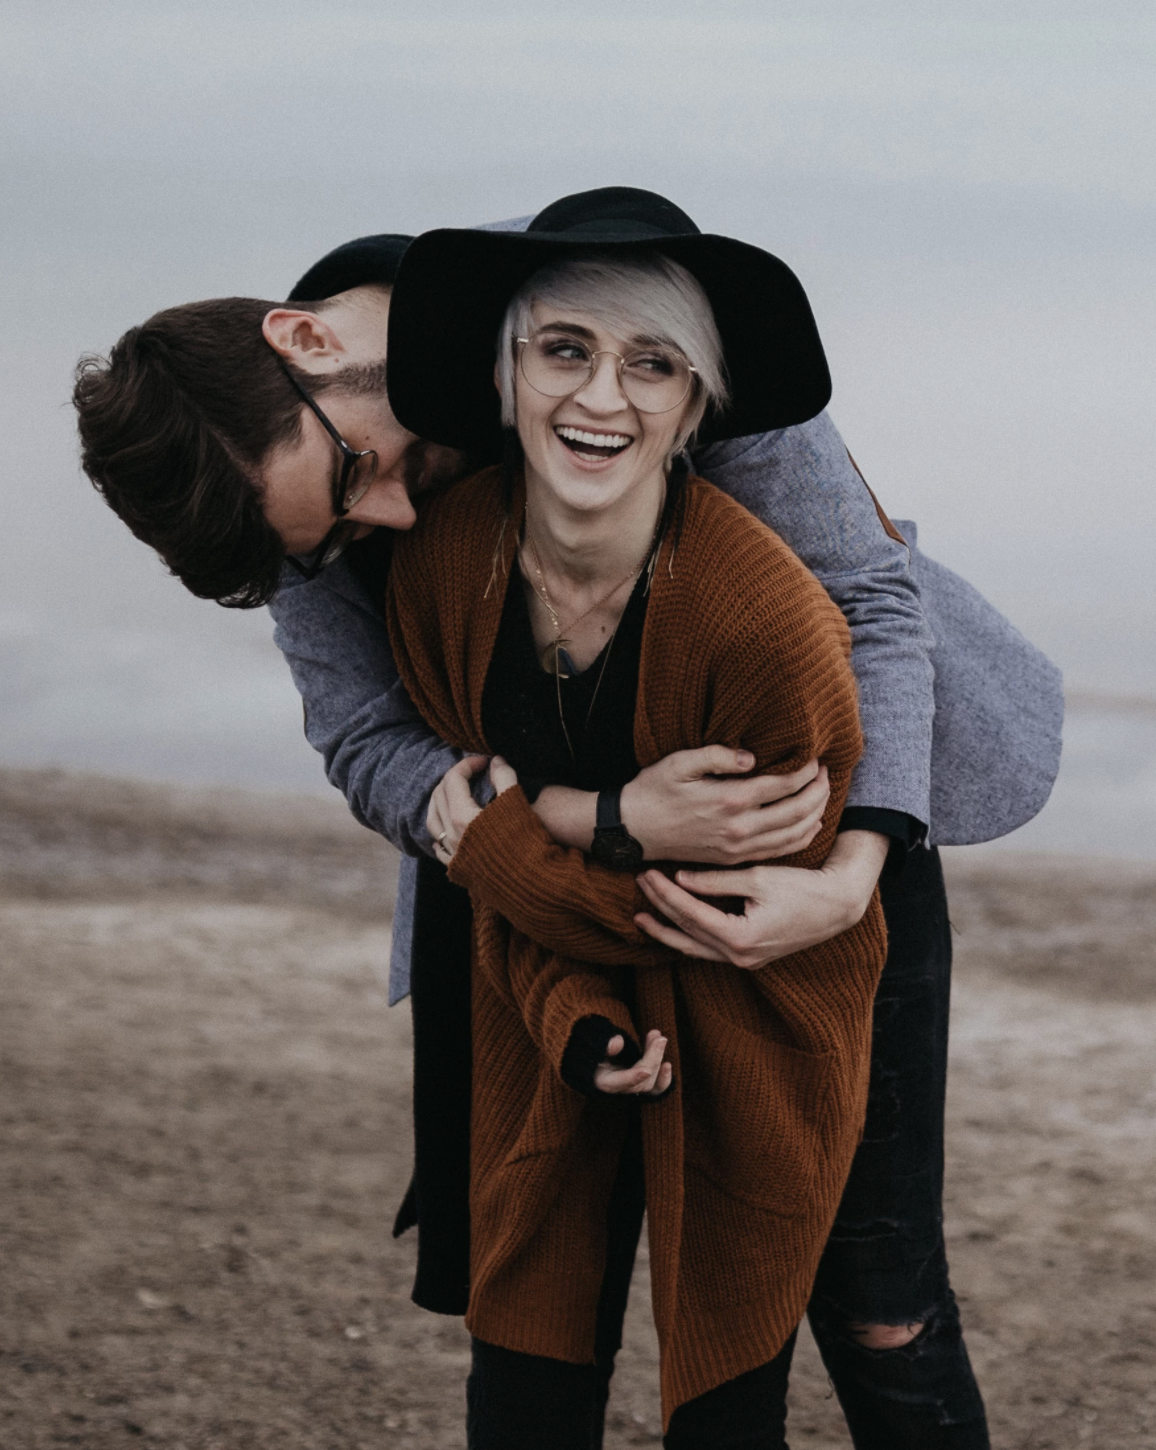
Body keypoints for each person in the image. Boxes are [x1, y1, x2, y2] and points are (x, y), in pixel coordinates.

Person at [71, 187, 1063, 1448]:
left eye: (363, 475)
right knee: (540, 1289)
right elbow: (367, 739)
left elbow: (867, 594)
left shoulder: (609, 317)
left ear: (307, 339)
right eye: (336, 541)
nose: (387, 521)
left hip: (818, 846)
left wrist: (853, 870)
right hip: (530, 890)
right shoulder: (286, 487)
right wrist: (598, 815)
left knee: (876, 1295)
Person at [378, 210, 892, 1447]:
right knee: (523, 1373)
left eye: (652, 364)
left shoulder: (767, 626)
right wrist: (568, 1005)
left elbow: (736, 912)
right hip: (531, 990)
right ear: (503, 376)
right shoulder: (442, 567)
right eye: (562, 349)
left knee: (724, 1400)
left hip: (761, 996)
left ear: (694, 406)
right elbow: (493, 852)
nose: (600, 396)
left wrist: (504, 847)